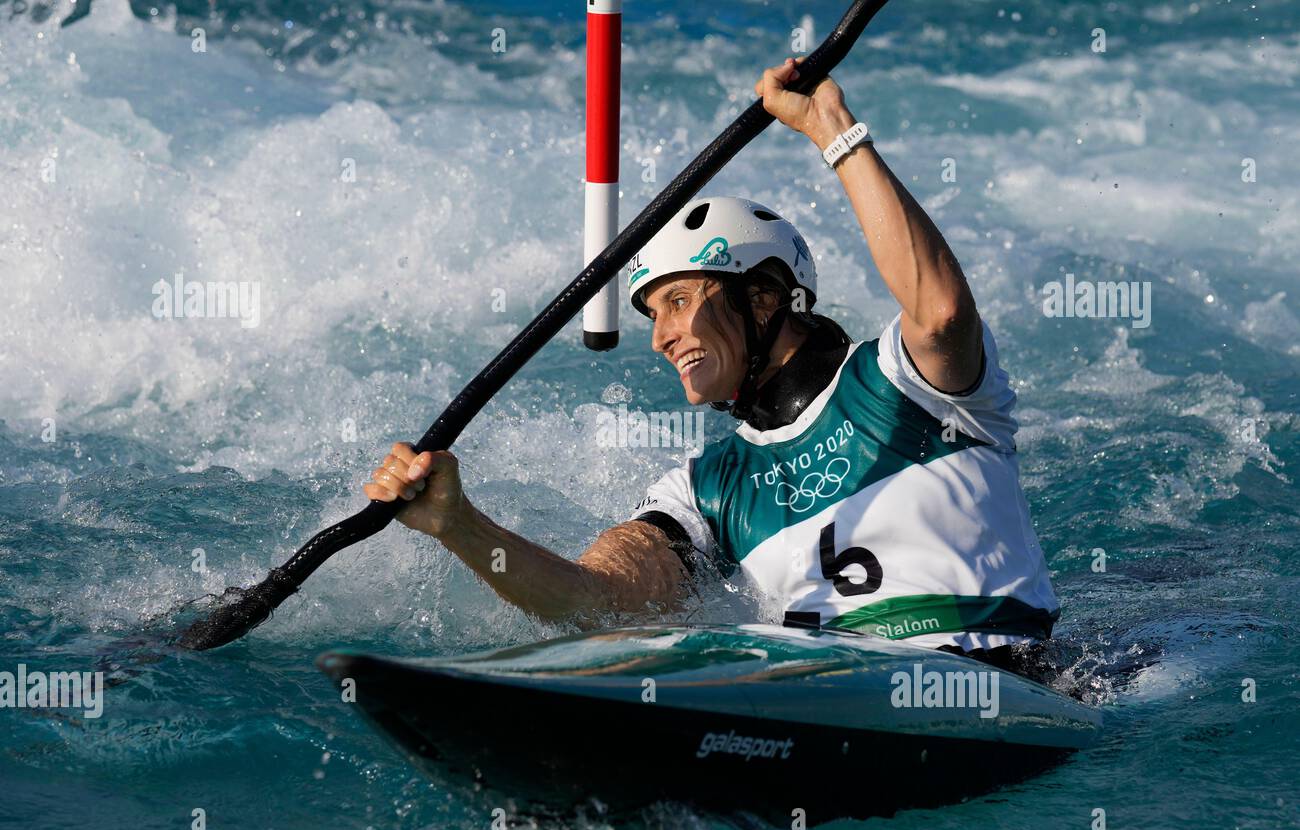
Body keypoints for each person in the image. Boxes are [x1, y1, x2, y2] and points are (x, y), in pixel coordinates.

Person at [364, 58, 1058, 678]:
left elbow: (940, 312)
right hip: (821, 693)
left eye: (677, 302)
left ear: (762, 298)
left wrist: (833, 132)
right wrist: (462, 527)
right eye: (651, 315)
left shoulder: (908, 386)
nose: (661, 338)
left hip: (1000, 679)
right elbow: (597, 605)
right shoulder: (706, 491)